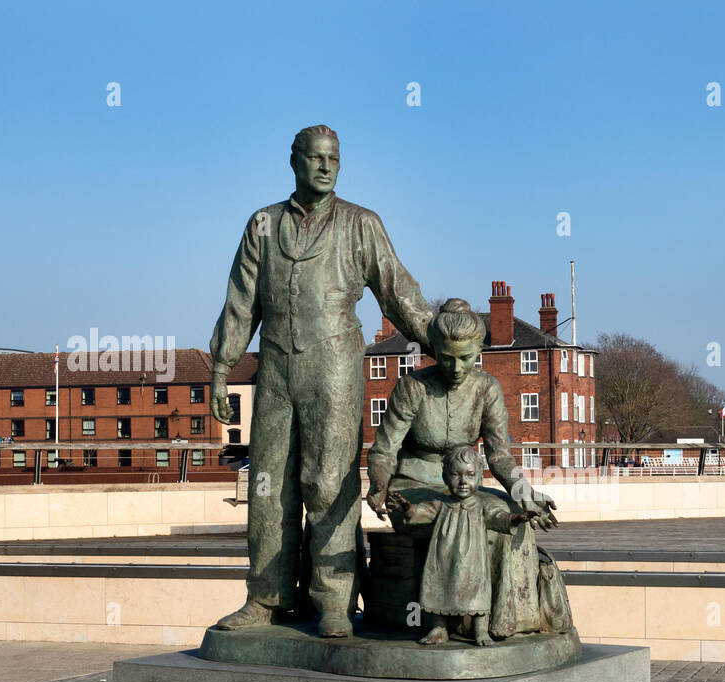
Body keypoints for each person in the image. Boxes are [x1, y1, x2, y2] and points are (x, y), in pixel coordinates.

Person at [208, 125, 432, 637]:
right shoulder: (262, 224)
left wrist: (444, 342)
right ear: (294, 162)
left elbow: (398, 290)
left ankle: (334, 601)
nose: (326, 167)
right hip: (276, 370)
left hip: (333, 365)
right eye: (315, 158)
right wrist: (221, 370)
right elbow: (241, 303)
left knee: (331, 484)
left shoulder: (360, 223)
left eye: (334, 158)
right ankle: (266, 598)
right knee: (269, 487)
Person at [366, 298, 556, 638]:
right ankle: (449, 623)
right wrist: (380, 485)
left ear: (479, 350)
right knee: (448, 521)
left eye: (466, 358)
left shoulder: (487, 389)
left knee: (512, 518)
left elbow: (500, 457)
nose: (456, 368)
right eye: (447, 358)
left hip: (464, 486)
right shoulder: (413, 388)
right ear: (434, 350)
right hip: (413, 486)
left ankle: (506, 620)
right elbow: (384, 449)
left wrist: (526, 495)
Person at [387, 445, 531, 645]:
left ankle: (481, 631)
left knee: (478, 593)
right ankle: (439, 629)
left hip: (473, 561)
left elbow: (498, 517)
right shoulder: (441, 504)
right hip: (443, 558)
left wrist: (516, 518)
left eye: (470, 475)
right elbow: (422, 512)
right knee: (438, 588)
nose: (463, 481)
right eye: (456, 475)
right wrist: (408, 508)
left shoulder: (481, 505)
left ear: (480, 478)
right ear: (446, 478)